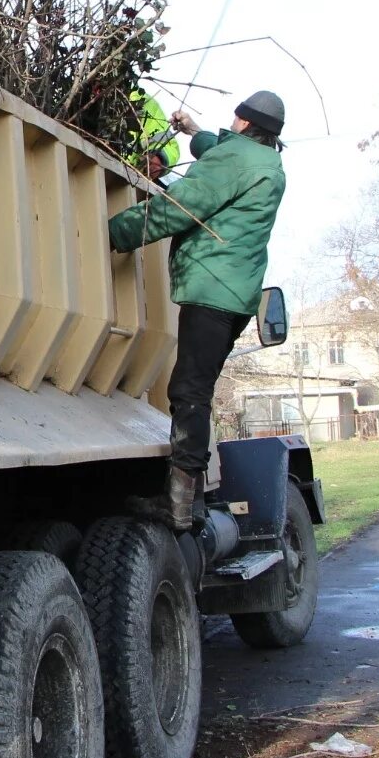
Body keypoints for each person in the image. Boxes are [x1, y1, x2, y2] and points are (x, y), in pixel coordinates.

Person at [108, 90, 287, 530]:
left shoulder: (233, 161)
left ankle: (180, 505)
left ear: (244, 123)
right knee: (198, 391)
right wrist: (194, 134)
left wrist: (116, 230)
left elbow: (181, 207)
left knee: (189, 394)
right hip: (238, 295)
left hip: (211, 290)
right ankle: (193, 497)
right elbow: (222, 153)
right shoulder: (267, 163)